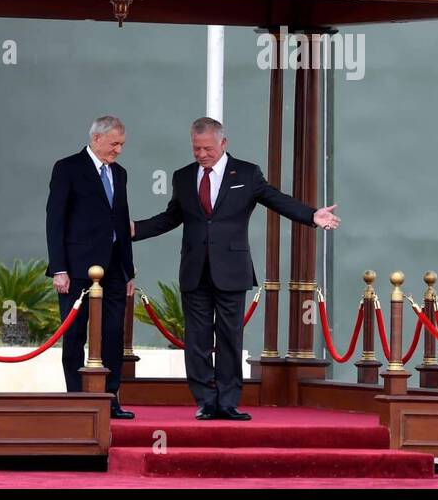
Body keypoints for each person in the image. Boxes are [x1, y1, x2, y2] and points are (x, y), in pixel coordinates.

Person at [133, 117, 340, 420]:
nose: (202, 154)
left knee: (230, 337)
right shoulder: (183, 176)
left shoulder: (247, 173)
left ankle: (228, 402)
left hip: (231, 269)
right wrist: (134, 229)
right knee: (197, 339)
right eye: (196, 149)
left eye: (207, 149)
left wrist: (312, 216)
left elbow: (276, 200)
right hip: (194, 270)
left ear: (223, 144)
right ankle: (205, 400)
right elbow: (171, 217)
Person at [45, 116, 136, 418]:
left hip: (113, 269)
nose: (118, 150)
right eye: (114, 144)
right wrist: (59, 268)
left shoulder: (119, 173)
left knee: (113, 333)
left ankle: (109, 398)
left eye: (121, 144)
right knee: (74, 336)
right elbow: (55, 220)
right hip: (75, 269)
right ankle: (75, 399)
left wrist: (129, 272)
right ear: (96, 139)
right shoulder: (67, 168)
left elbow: (121, 224)